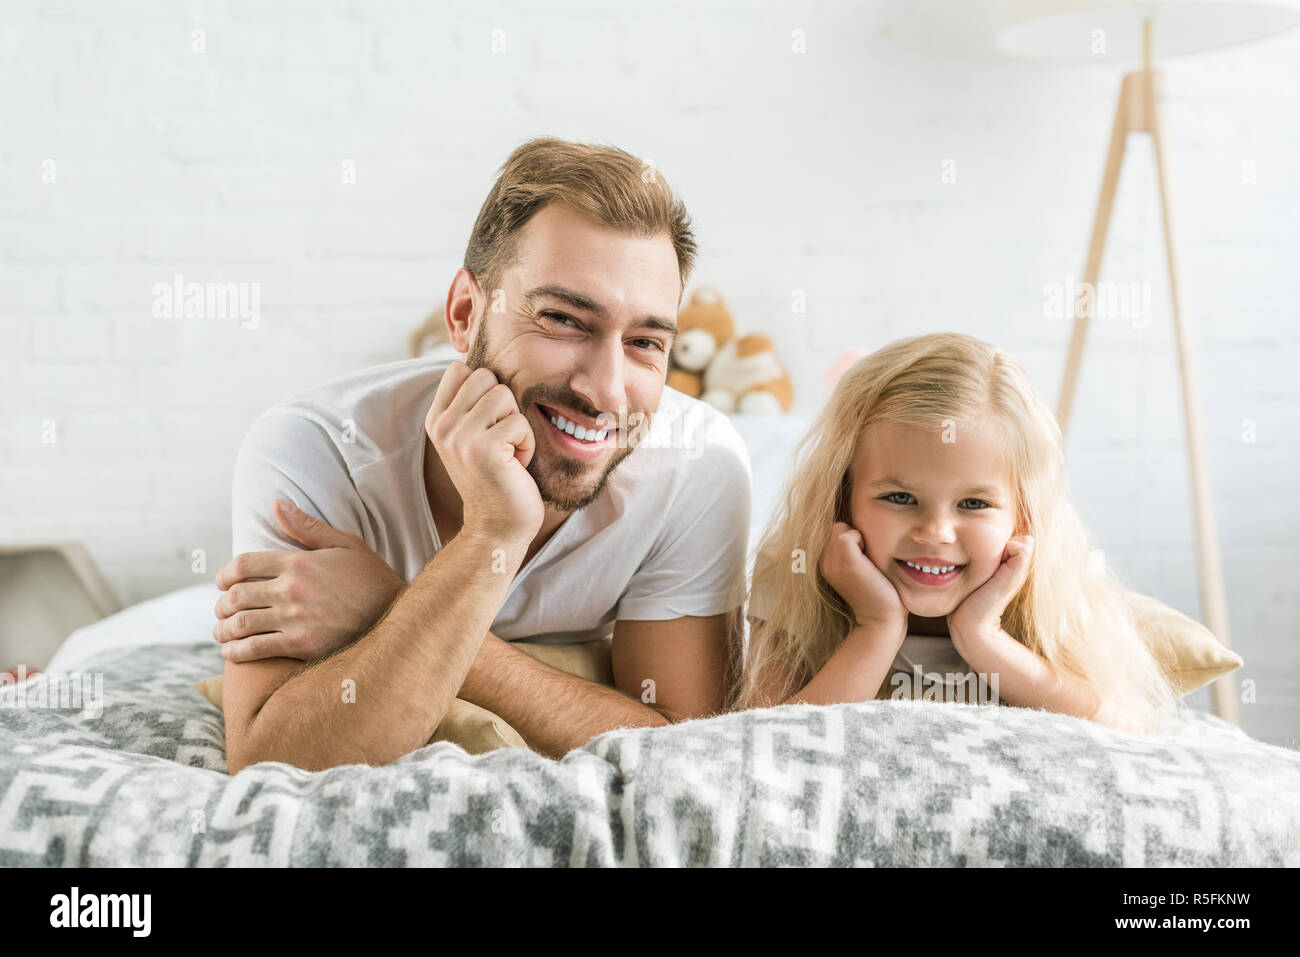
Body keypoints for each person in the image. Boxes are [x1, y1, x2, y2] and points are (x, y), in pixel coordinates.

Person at [214, 138, 752, 773]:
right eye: (564, 320)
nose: (606, 390)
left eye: (644, 342)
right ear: (467, 314)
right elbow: (274, 760)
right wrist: (494, 533)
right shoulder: (316, 451)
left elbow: (684, 753)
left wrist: (389, 607)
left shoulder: (698, 465)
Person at [731, 332, 1186, 734]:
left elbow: (1124, 731)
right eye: (900, 498)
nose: (935, 533)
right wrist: (876, 626)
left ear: (1022, 515)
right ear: (842, 496)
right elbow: (768, 737)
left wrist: (982, 636)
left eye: (973, 504)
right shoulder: (792, 574)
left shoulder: (1052, 593)